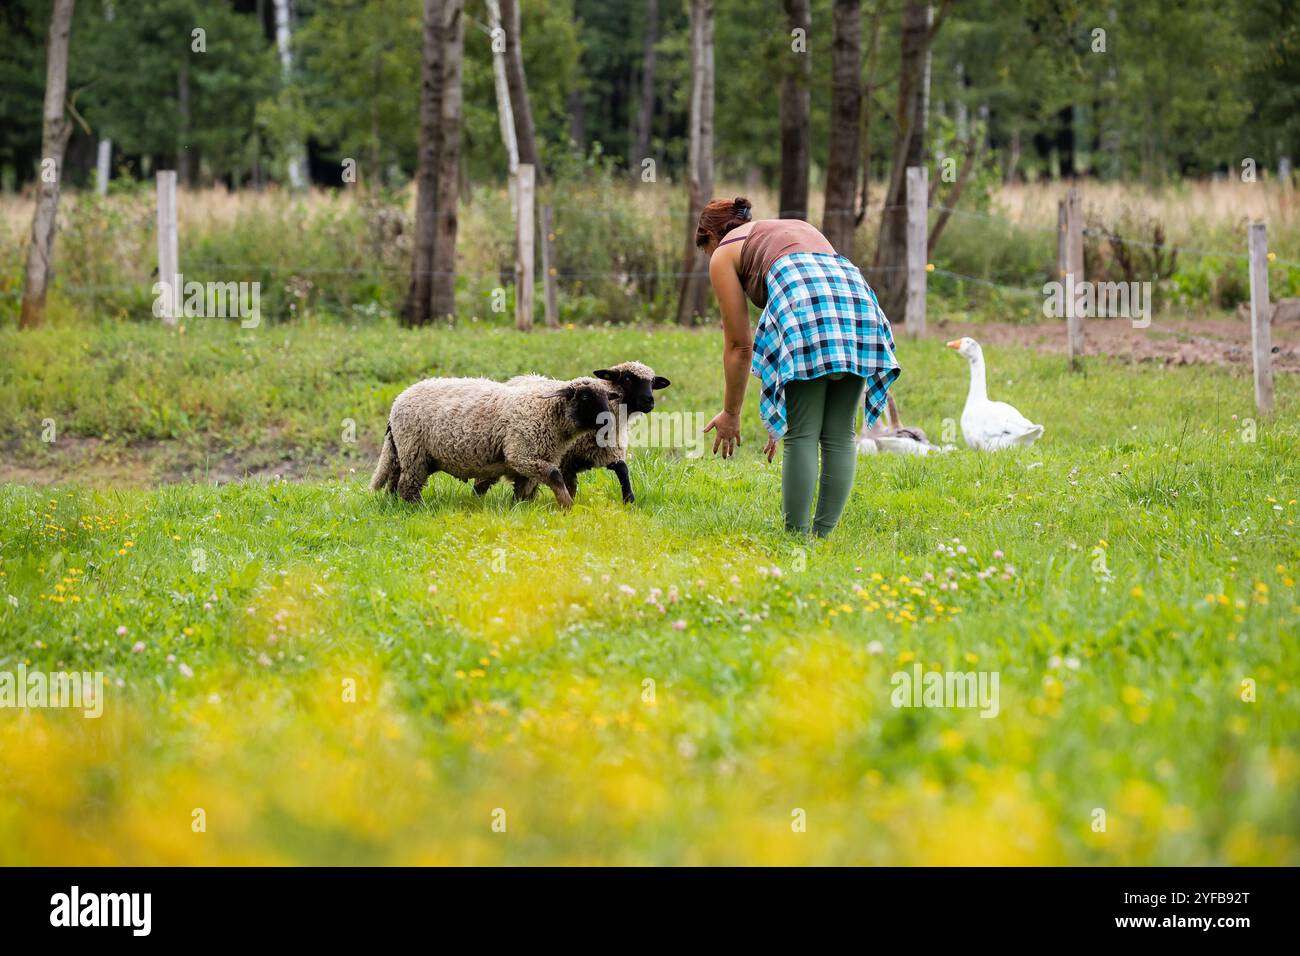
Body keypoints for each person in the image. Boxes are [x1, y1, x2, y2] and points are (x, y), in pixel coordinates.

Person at [699, 197, 899, 536]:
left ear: (710, 235)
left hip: (808, 305)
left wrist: (731, 413)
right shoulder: (796, 227)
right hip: (859, 306)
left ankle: (796, 539)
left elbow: (739, 345)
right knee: (839, 435)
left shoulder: (723, 252)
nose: (707, 257)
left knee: (802, 436)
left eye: (705, 249)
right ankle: (822, 538)